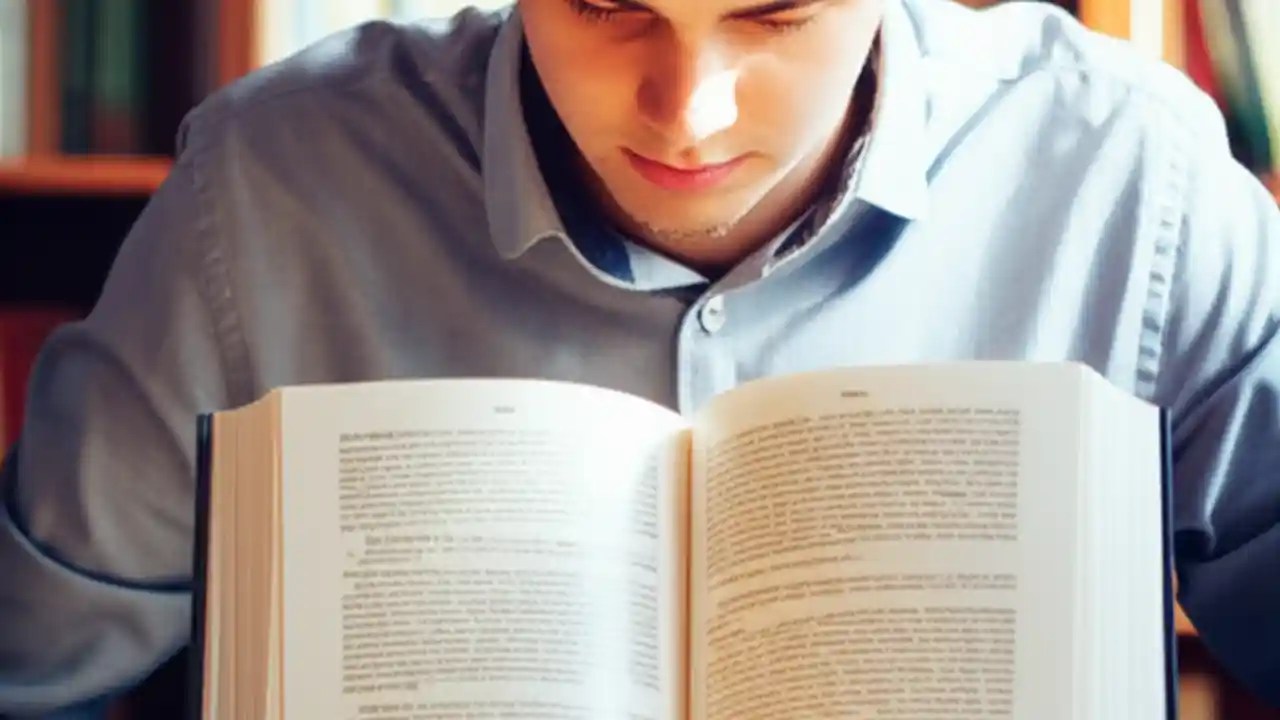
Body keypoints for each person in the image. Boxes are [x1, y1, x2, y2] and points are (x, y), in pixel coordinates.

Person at [1, 0, 1277, 716]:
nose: (689, 111)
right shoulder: (270, 197)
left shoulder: (1131, 182)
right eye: (609, 5)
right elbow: (30, 665)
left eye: (774, 13)